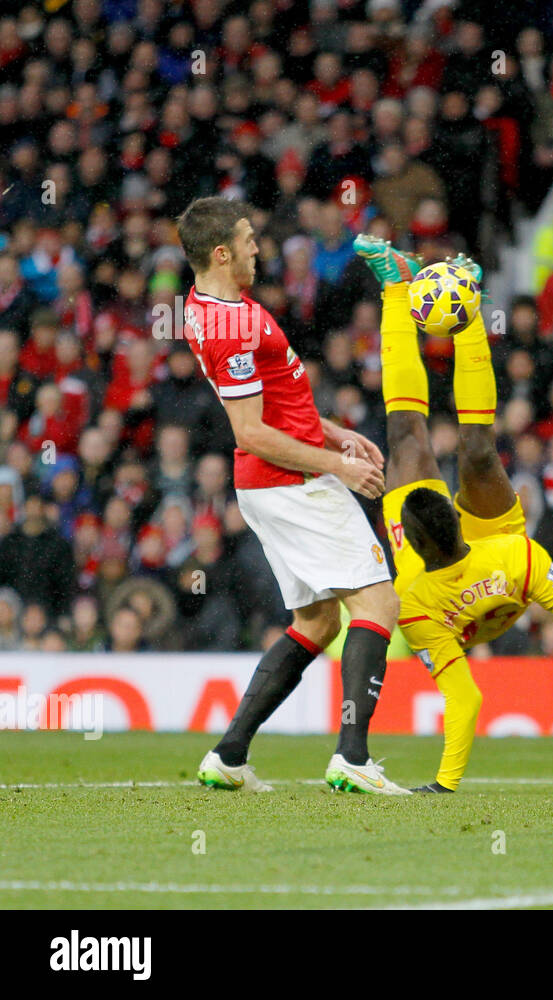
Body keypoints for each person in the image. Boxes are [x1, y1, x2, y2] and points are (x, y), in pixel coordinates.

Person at [352, 236, 553, 794]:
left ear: (413, 538)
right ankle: (400, 285)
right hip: (465, 559)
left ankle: (454, 301)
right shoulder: (414, 605)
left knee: (473, 449)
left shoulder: (513, 556)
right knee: (410, 432)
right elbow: (470, 694)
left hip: (489, 540)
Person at [177, 198, 406, 796]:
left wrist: (334, 431)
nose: (260, 248)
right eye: (250, 239)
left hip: (270, 482)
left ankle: (228, 755)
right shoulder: (231, 325)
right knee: (378, 603)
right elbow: (249, 431)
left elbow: (277, 400)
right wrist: (338, 467)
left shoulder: (211, 308)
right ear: (222, 252)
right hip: (289, 481)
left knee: (317, 619)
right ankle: (352, 757)